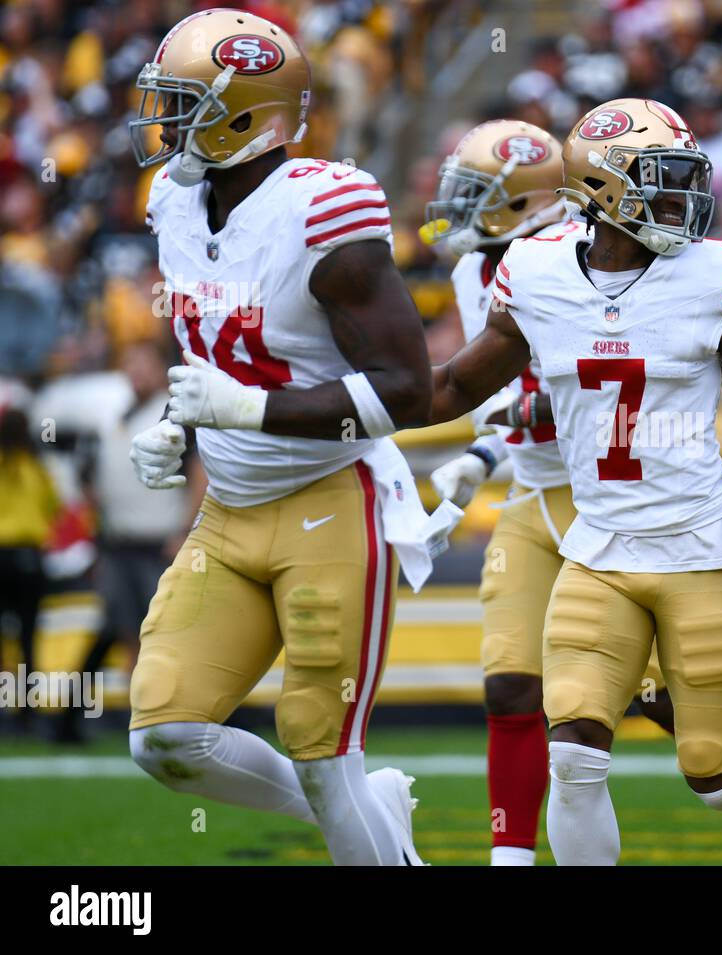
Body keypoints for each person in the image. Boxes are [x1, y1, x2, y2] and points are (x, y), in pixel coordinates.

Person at [422, 98, 722, 863]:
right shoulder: (535, 274)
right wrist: (344, 407)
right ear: (604, 190)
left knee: (719, 773)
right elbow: (451, 387)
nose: (684, 200)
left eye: (685, 179)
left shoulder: (715, 275)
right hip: (596, 548)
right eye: (662, 181)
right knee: (573, 753)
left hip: (697, 549)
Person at [124, 9, 435, 865]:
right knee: (164, 734)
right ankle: (373, 820)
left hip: (331, 496)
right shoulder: (176, 200)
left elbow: (409, 391)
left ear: (242, 115)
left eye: (183, 103)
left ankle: (365, 825)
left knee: (321, 745)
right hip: (229, 508)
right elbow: (211, 344)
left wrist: (244, 411)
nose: (163, 120)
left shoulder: (324, 211)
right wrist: (177, 421)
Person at [57, 340, 205, 743]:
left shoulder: (176, 414)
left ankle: (188, 713)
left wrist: (185, 531)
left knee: (165, 629)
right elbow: (89, 478)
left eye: (144, 364)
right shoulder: (112, 416)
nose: (137, 372)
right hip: (120, 541)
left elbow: (198, 475)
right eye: (130, 363)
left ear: (161, 370)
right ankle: (90, 717)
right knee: (118, 626)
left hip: (159, 542)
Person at [0, 405, 60, 732]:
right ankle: (27, 709)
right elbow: (54, 507)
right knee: (27, 634)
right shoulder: (36, 467)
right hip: (29, 556)